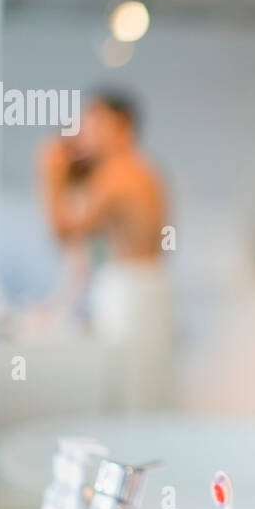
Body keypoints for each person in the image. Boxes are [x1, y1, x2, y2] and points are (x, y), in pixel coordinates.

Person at [39, 91, 176, 411]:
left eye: (96, 121)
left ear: (123, 126)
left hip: (132, 294)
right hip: (144, 290)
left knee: (131, 400)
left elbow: (63, 233)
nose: (86, 131)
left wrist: (49, 172)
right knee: (143, 394)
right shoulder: (142, 169)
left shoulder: (118, 174)